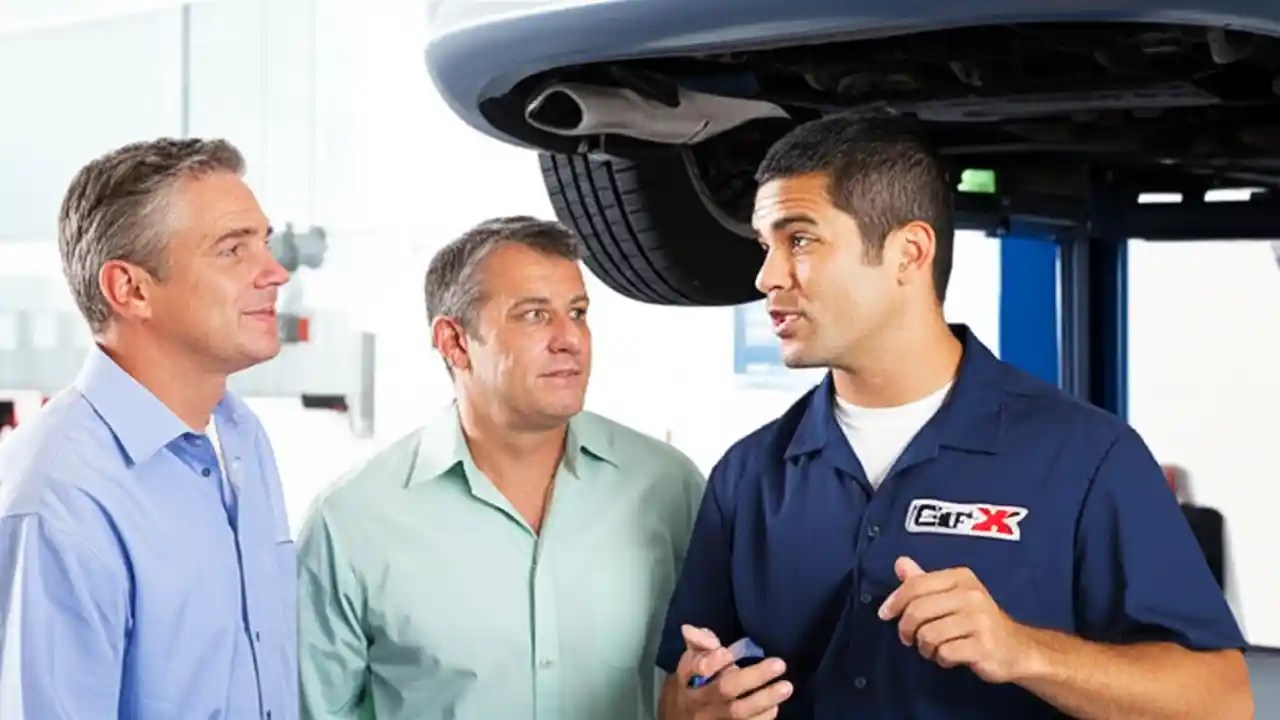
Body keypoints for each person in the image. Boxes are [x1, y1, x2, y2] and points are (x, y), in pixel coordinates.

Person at [656, 117, 1253, 719]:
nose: (766, 277)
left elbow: (1222, 703)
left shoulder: (1088, 458)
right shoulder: (748, 474)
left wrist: (1024, 651)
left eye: (801, 240)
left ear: (908, 253)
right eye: (766, 246)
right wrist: (696, 707)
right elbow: (681, 697)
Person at [296, 216, 706, 720]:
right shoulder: (351, 521)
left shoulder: (667, 486)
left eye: (577, 313)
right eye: (534, 316)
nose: (570, 339)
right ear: (454, 342)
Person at [0, 138, 296, 719]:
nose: (275, 272)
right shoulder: (61, 502)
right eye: (233, 250)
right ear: (130, 289)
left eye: (265, 243)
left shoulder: (242, 438)